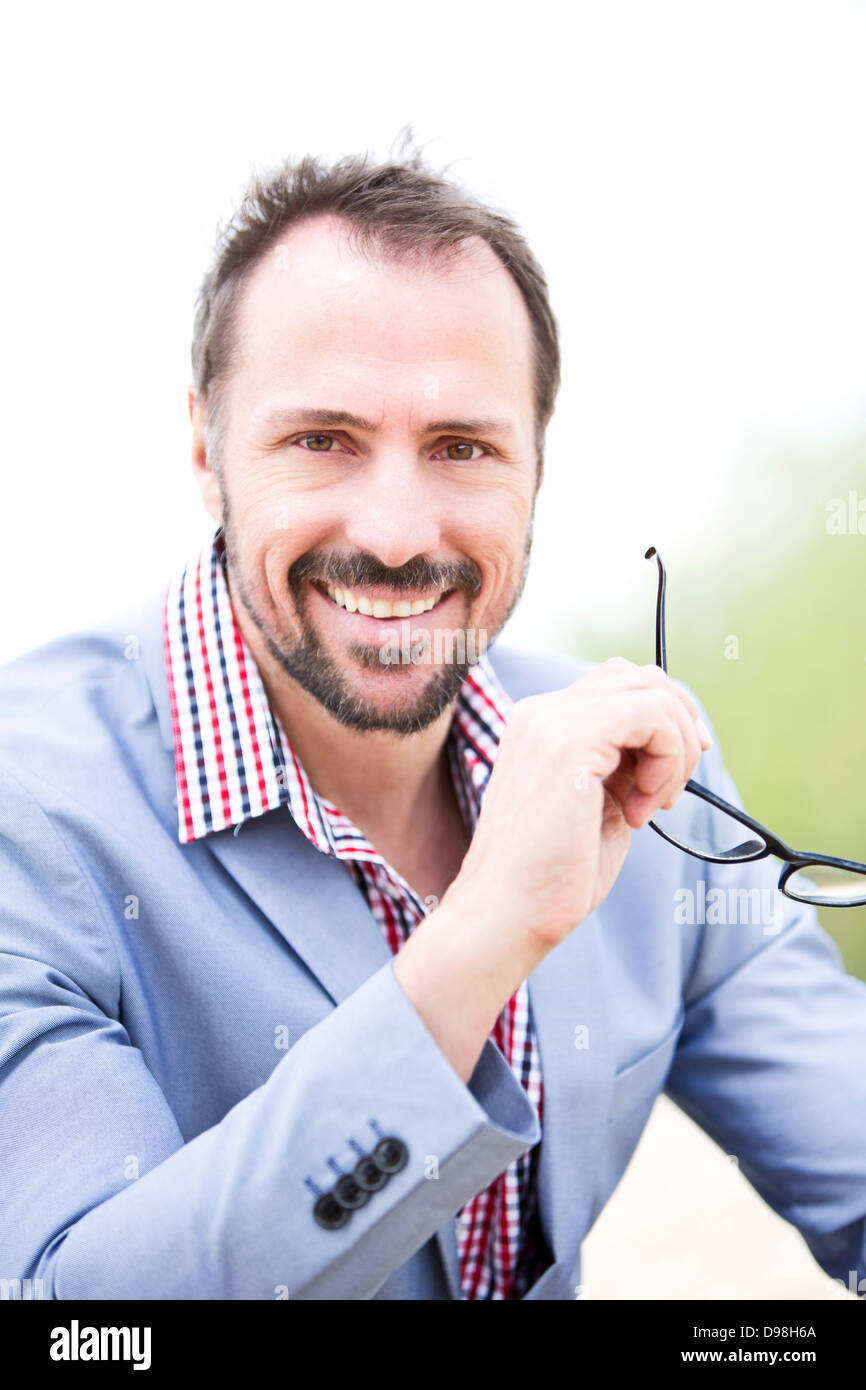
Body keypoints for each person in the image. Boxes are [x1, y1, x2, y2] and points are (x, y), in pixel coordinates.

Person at [1, 132, 864, 1302]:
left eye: (462, 447)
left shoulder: (648, 781)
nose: (399, 530)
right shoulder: (29, 815)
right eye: (322, 440)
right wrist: (479, 939)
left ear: (537, 470)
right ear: (205, 448)